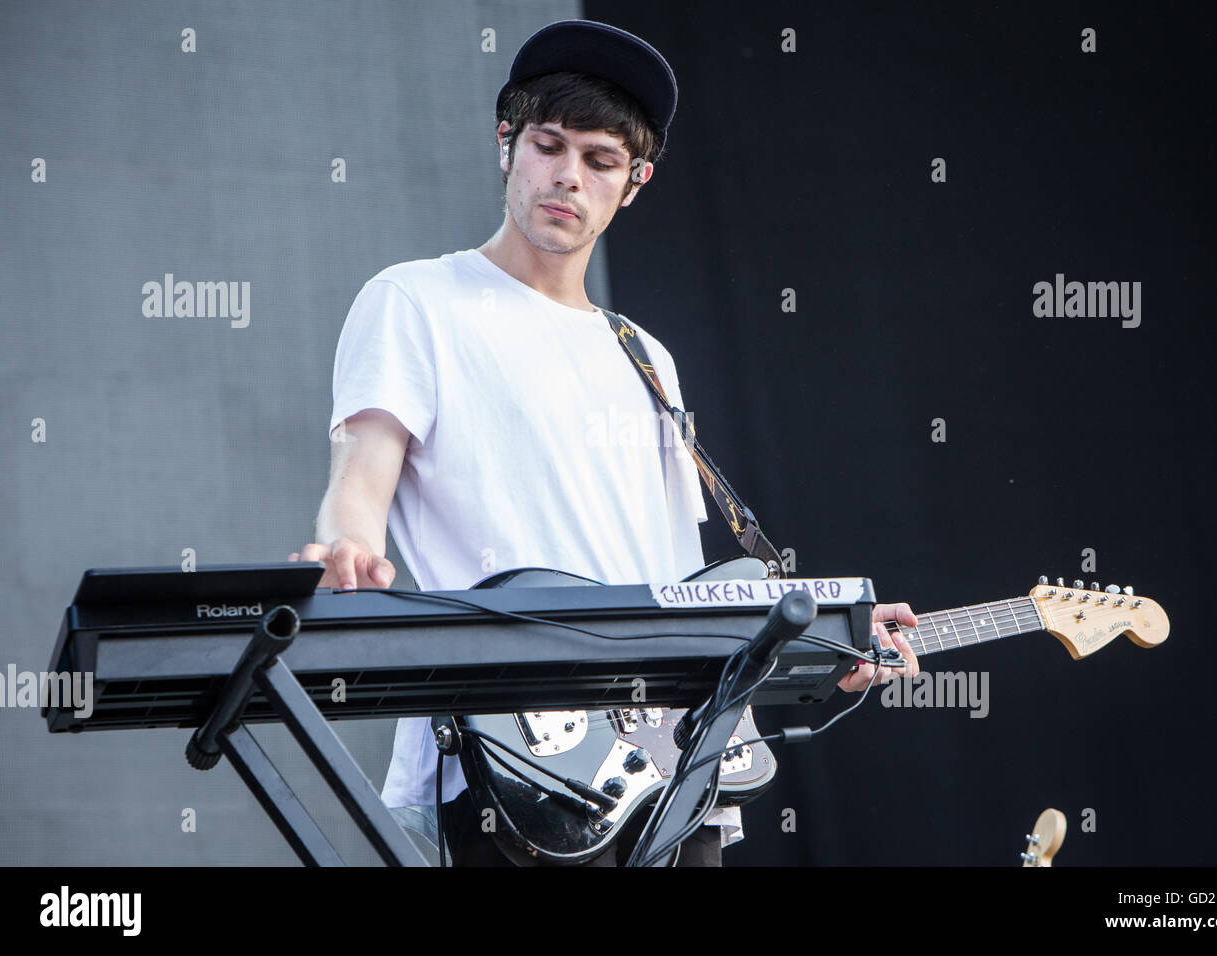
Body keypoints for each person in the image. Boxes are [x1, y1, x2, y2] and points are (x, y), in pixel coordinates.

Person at [289, 19, 919, 867]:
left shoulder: (644, 355)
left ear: (635, 183)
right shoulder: (415, 301)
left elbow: (689, 581)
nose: (567, 178)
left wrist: (823, 639)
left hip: (674, 774)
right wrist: (349, 546)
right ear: (506, 144)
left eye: (600, 160)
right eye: (549, 145)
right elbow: (361, 474)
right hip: (515, 763)